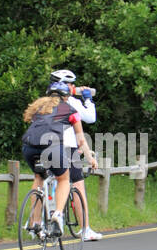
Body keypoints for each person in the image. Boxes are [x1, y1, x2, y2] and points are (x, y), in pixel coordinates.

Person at [21, 80, 98, 238]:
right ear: (66, 96)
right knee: (63, 178)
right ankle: (57, 215)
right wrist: (90, 158)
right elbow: (81, 140)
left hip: (28, 147)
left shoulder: (39, 107)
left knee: (38, 177)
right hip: (52, 146)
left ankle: (35, 224)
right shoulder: (70, 109)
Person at [51, 68, 102, 240]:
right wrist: (88, 99)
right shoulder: (71, 101)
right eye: (71, 83)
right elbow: (90, 118)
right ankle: (85, 229)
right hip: (68, 148)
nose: (74, 86)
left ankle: (35, 224)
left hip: (45, 145)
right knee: (77, 185)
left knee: (41, 181)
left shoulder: (44, 101)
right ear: (65, 86)